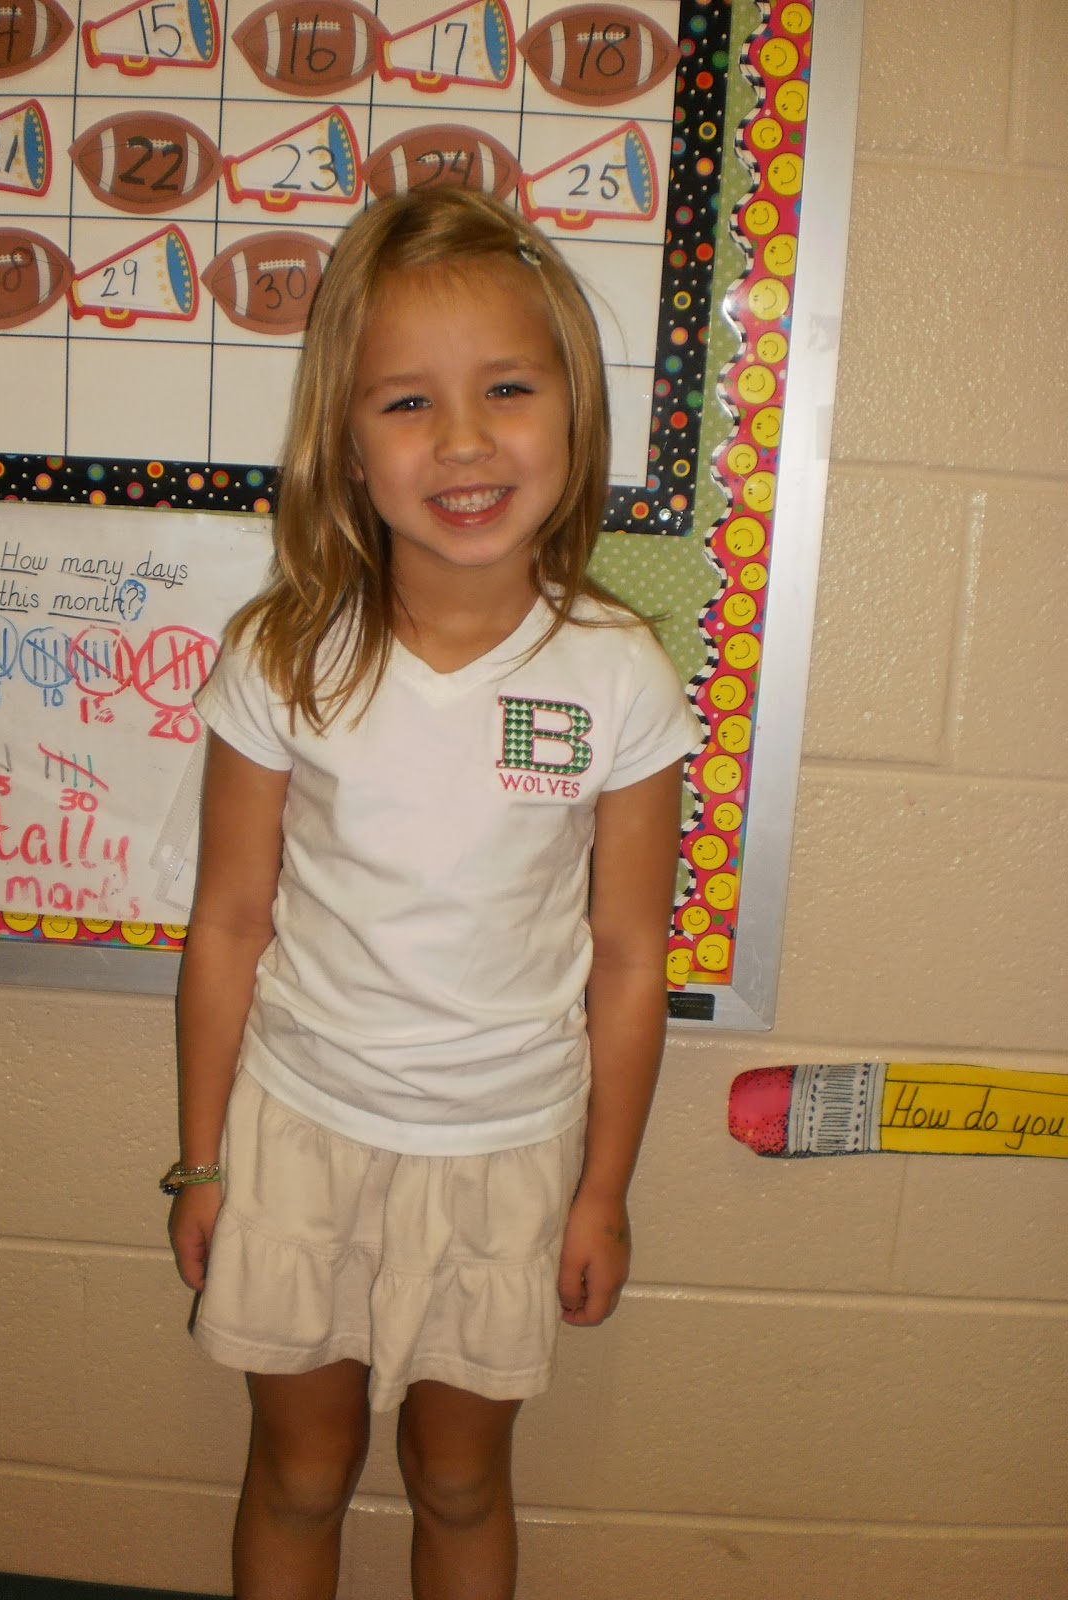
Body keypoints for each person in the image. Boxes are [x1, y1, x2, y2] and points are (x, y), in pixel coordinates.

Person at [164, 187, 698, 1600]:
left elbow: (629, 962)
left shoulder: (619, 678)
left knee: (461, 1480)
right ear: (346, 439)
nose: (463, 441)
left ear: (573, 413)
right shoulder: (282, 659)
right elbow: (228, 924)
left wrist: (604, 1193)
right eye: (406, 402)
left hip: (506, 1157)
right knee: (299, 1471)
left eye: (507, 390)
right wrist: (204, 1158)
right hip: (301, 1133)